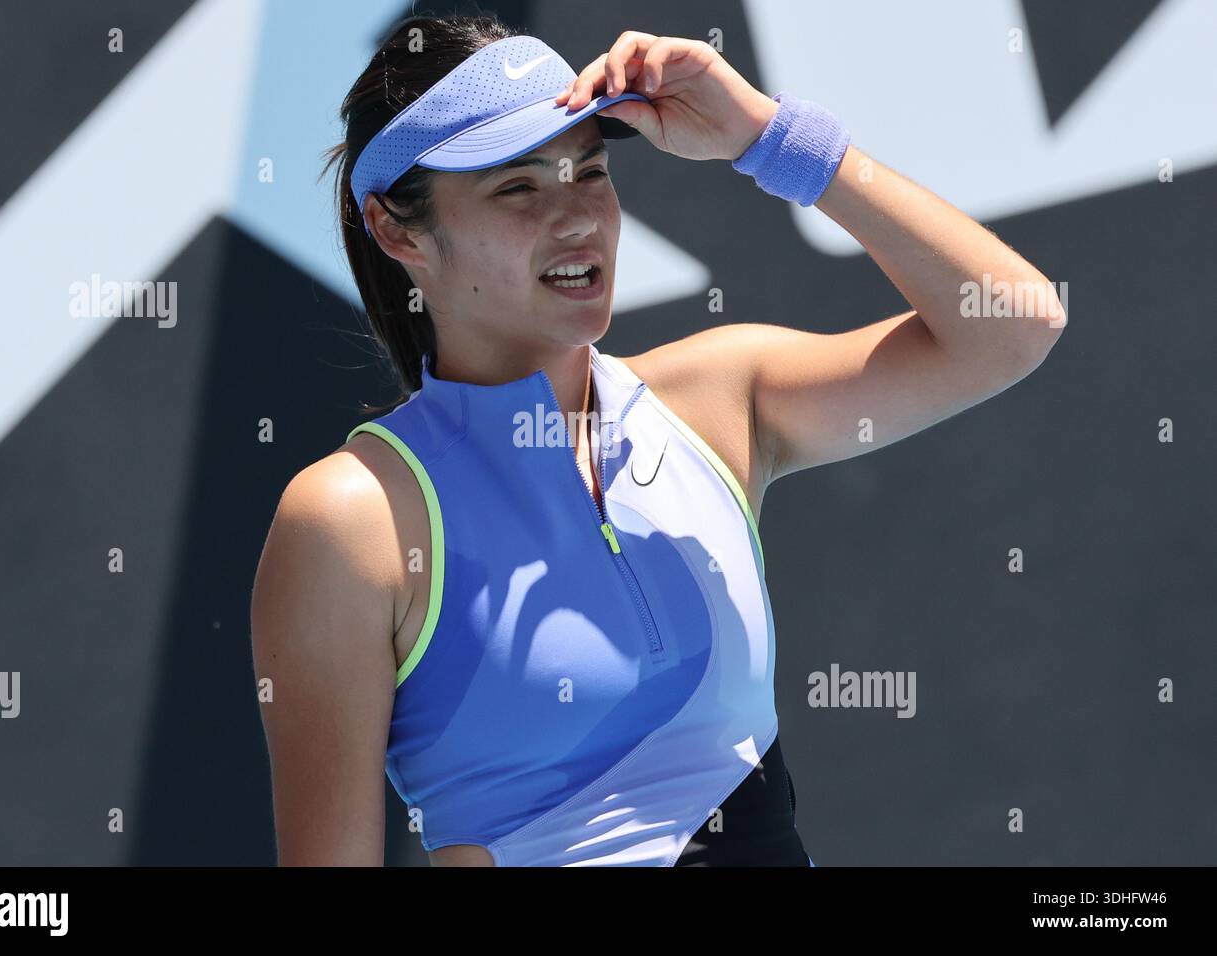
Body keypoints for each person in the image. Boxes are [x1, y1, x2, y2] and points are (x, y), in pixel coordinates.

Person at [250, 14, 1065, 867]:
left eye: (591, 173)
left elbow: (1014, 326)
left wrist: (768, 138)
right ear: (397, 231)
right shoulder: (349, 517)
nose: (576, 218)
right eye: (519, 189)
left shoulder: (721, 395)